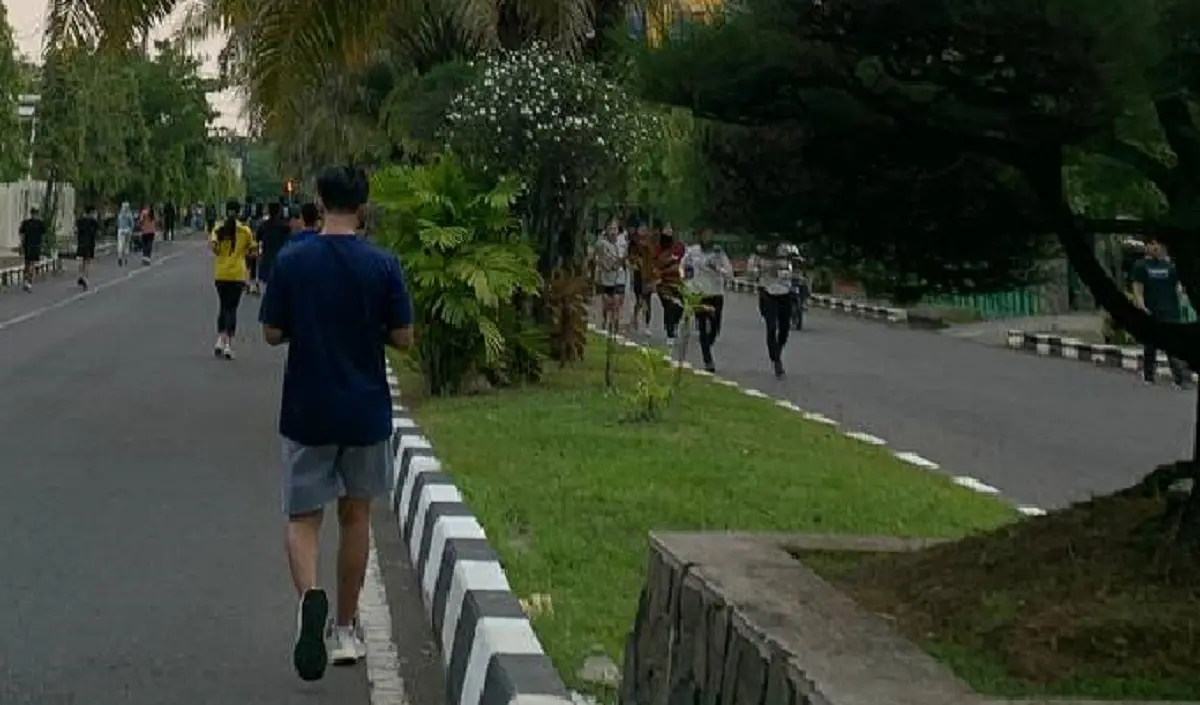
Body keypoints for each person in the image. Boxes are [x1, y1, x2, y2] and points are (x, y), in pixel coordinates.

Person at [259, 165, 414, 681]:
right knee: (356, 517)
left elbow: (272, 333)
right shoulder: (383, 264)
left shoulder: (294, 259)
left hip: (307, 407)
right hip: (365, 408)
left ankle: (310, 600)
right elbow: (404, 337)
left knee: (303, 517)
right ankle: (346, 630)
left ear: (319, 201)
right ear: (364, 206)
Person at [1131, 237, 1191, 387]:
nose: (1155, 247)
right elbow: (1138, 288)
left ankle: (1179, 379)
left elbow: (1178, 287)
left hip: (1171, 312)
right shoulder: (1141, 266)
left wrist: (1182, 301)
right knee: (1150, 346)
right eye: (1151, 244)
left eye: (1158, 244)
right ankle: (1149, 375)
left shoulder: (1170, 266)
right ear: (1146, 247)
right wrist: (1141, 305)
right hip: (1151, 310)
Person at [209, 201, 256, 360]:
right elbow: (251, 250)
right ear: (239, 211)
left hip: (221, 273)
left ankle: (219, 340)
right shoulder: (245, 230)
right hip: (237, 274)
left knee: (223, 306)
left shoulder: (218, 229)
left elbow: (214, 249)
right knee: (232, 309)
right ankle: (229, 344)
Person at [682, 229, 733, 372]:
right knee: (703, 326)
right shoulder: (692, 252)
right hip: (700, 293)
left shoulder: (718, 253)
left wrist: (718, 269)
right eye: (704, 235)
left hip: (716, 293)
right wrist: (686, 280)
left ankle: (708, 343)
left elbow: (729, 273)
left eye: (709, 235)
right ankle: (708, 359)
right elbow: (683, 266)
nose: (706, 238)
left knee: (715, 328)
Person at [747, 243, 794, 378]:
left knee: (784, 328)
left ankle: (777, 351)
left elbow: (796, 269)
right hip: (767, 292)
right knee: (771, 326)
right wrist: (760, 272)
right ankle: (776, 360)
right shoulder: (758, 253)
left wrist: (781, 272)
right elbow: (751, 272)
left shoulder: (788, 250)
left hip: (785, 292)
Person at [654, 225, 687, 350]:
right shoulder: (657, 248)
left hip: (678, 283)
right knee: (669, 305)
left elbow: (682, 261)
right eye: (665, 229)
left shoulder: (679, 247)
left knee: (680, 307)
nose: (668, 232)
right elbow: (655, 264)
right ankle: (670, 334)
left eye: (670, 230)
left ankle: (674, 324)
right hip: (663, 283)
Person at [594, 219, 628, 332]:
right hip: (605, 278)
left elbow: (623, 258)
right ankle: (605, 322)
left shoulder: (622, 244)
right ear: (606, 230)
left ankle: (615, 327)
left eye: (615, 229)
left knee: (616, 304)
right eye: (610, 229)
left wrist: (617, 264)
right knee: (606, 304)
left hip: (619, 277)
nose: (613, 232)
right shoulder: (601, 244)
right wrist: (603, 264)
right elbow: (596, 258)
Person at [256, 201, 291, 291]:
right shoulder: (285, 227)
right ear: (279, 211)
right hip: (281, 260)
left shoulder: (263, 226)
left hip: (266, 259)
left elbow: (257, 240)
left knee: (267, 289)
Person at [629, 224, 656, 333]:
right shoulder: (634, 242)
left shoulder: (650, 243)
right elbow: (630, 256)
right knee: (639, 300)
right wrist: (635, 262)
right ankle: (635, 317)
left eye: (645, 230)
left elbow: (654, 257)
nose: (643, 232)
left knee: (648, 301)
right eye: (641, 229)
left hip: (648, 276)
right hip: (638, 275)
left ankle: (647, 325)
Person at [18, 207, 46, 293]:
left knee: (28, 264)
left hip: (29, 246)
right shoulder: (39, 223)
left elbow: (21, 234)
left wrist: (21, 245)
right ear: (36, 214)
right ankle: (28, 282)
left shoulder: (26, 223)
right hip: (34, 246)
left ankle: (27, 282)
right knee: (31, 264)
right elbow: (43, 235)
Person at [75, 205, 100, 290]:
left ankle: (80, 275)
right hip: (89, 243)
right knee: (87, 260)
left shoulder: (80, 221)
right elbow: (96, 231)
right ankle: (85, 277)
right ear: (91, 213)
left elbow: (76, 230)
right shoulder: (93, 221)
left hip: (81, 243)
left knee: (82, 260)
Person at [116, 202, 134, 266]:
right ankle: (126, 259)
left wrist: (119, 228)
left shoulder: (120, 214)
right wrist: (131, 230)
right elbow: (132, 224)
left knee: (120, 245)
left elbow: (118, 223)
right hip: (127, 230)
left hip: (120, 230)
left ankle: (120, 258)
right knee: (127, 245)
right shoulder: (129, 214)